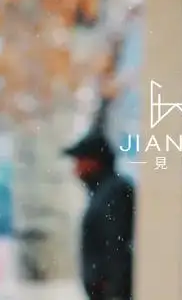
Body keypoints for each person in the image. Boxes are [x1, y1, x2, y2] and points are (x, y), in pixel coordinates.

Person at [63, 125, 135, 300]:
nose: (76, 169)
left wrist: (114, 290)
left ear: (94, 162)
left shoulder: (114, 193)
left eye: (80, 161)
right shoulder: (103, 192)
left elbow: (116, 244)